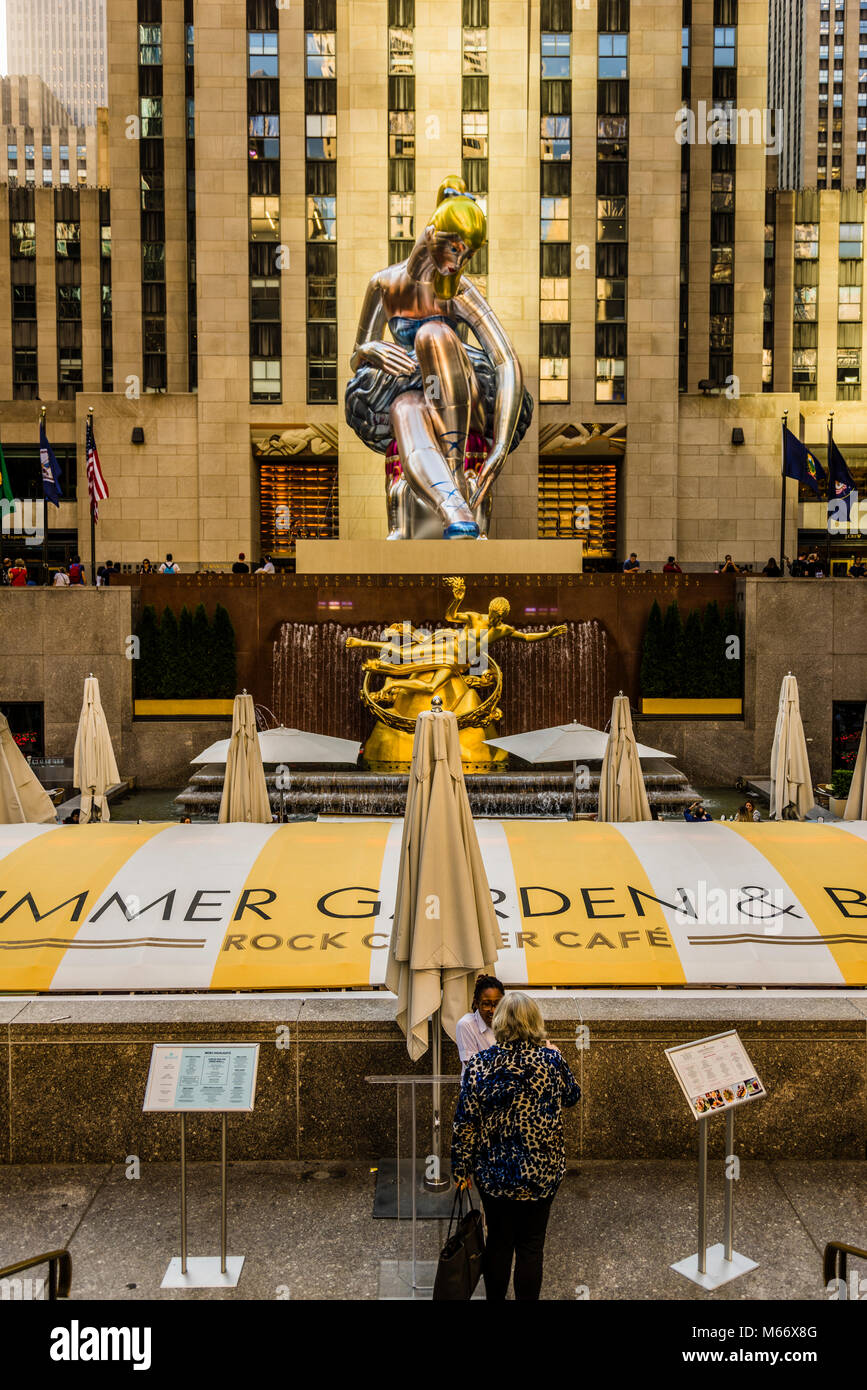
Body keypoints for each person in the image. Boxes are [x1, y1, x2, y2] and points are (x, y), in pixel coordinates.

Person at [451, 992, 580, 1301]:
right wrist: (555, 1058)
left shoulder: (480, 1063)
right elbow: (573, 1096)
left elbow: (465, 1122)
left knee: (498, 1242)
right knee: (531, 1246)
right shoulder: (551, 1059)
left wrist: (460, 1169)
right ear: (535, 1023)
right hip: (542, 1174)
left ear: (499, 1023)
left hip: (494, 1176)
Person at [455, 974, 505, 1079]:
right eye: (487, 1004)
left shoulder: (510, 1022)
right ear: (476, 1003)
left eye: (497, 1004)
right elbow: (473, 1067)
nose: (493, 1010)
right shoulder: (466, 1025)